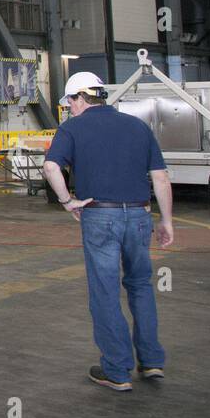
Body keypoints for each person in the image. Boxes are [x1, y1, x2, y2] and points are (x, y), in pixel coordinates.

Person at [41, 71, 173, 392]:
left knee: (105, 289)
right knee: (140, 285)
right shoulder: (137, 126)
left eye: (70, 102)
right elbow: (161, 178)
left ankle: (117, 370)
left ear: (80, 98)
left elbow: (50, 166)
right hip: (139, 215)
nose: (69, 109)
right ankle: (152, 360)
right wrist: (166, 221)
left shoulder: (72, 128)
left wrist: (67, 201)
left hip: (100, 216)